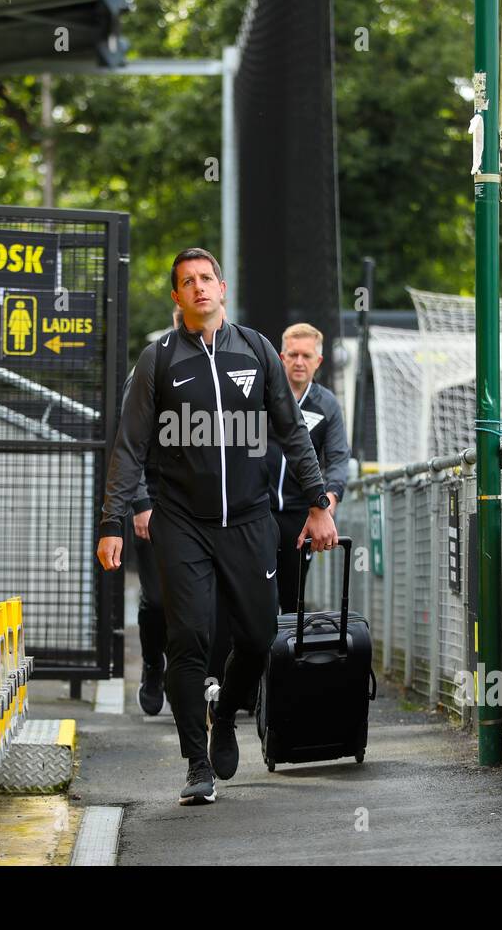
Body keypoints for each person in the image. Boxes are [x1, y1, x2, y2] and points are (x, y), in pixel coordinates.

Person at [97, 248, 338, 806]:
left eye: (207, 278)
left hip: (251, 521)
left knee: (257, 638)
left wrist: (319, 501)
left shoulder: (255, 350)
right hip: (182, 521)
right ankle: (196, 765)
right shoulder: (158, 360)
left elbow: (291, 433)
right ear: (177, 296)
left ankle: (224, 712)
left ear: (222, 288)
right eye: (188, 281)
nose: (199, 287)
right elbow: (129, 446)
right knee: (190, 640)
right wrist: (115, 519)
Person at [263, 323, 352, 613]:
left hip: (302, 516)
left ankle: (284, 658)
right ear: (281, 357)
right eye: (293, 355)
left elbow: (338, 459)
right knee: (257, 596)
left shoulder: (327, 405)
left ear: (318, 361)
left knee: (291, 600)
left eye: (306, 356)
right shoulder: (261, 399)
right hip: (258, 513)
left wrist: (327, 505)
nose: (299, 362)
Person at [128, 305, 184, 716]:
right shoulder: (154, 359)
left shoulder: (229, 356)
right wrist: (140, 503)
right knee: (159, 599)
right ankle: (152, 665)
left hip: (204, 509)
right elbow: (129, 443)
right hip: (156, 503)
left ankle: (192, 681)